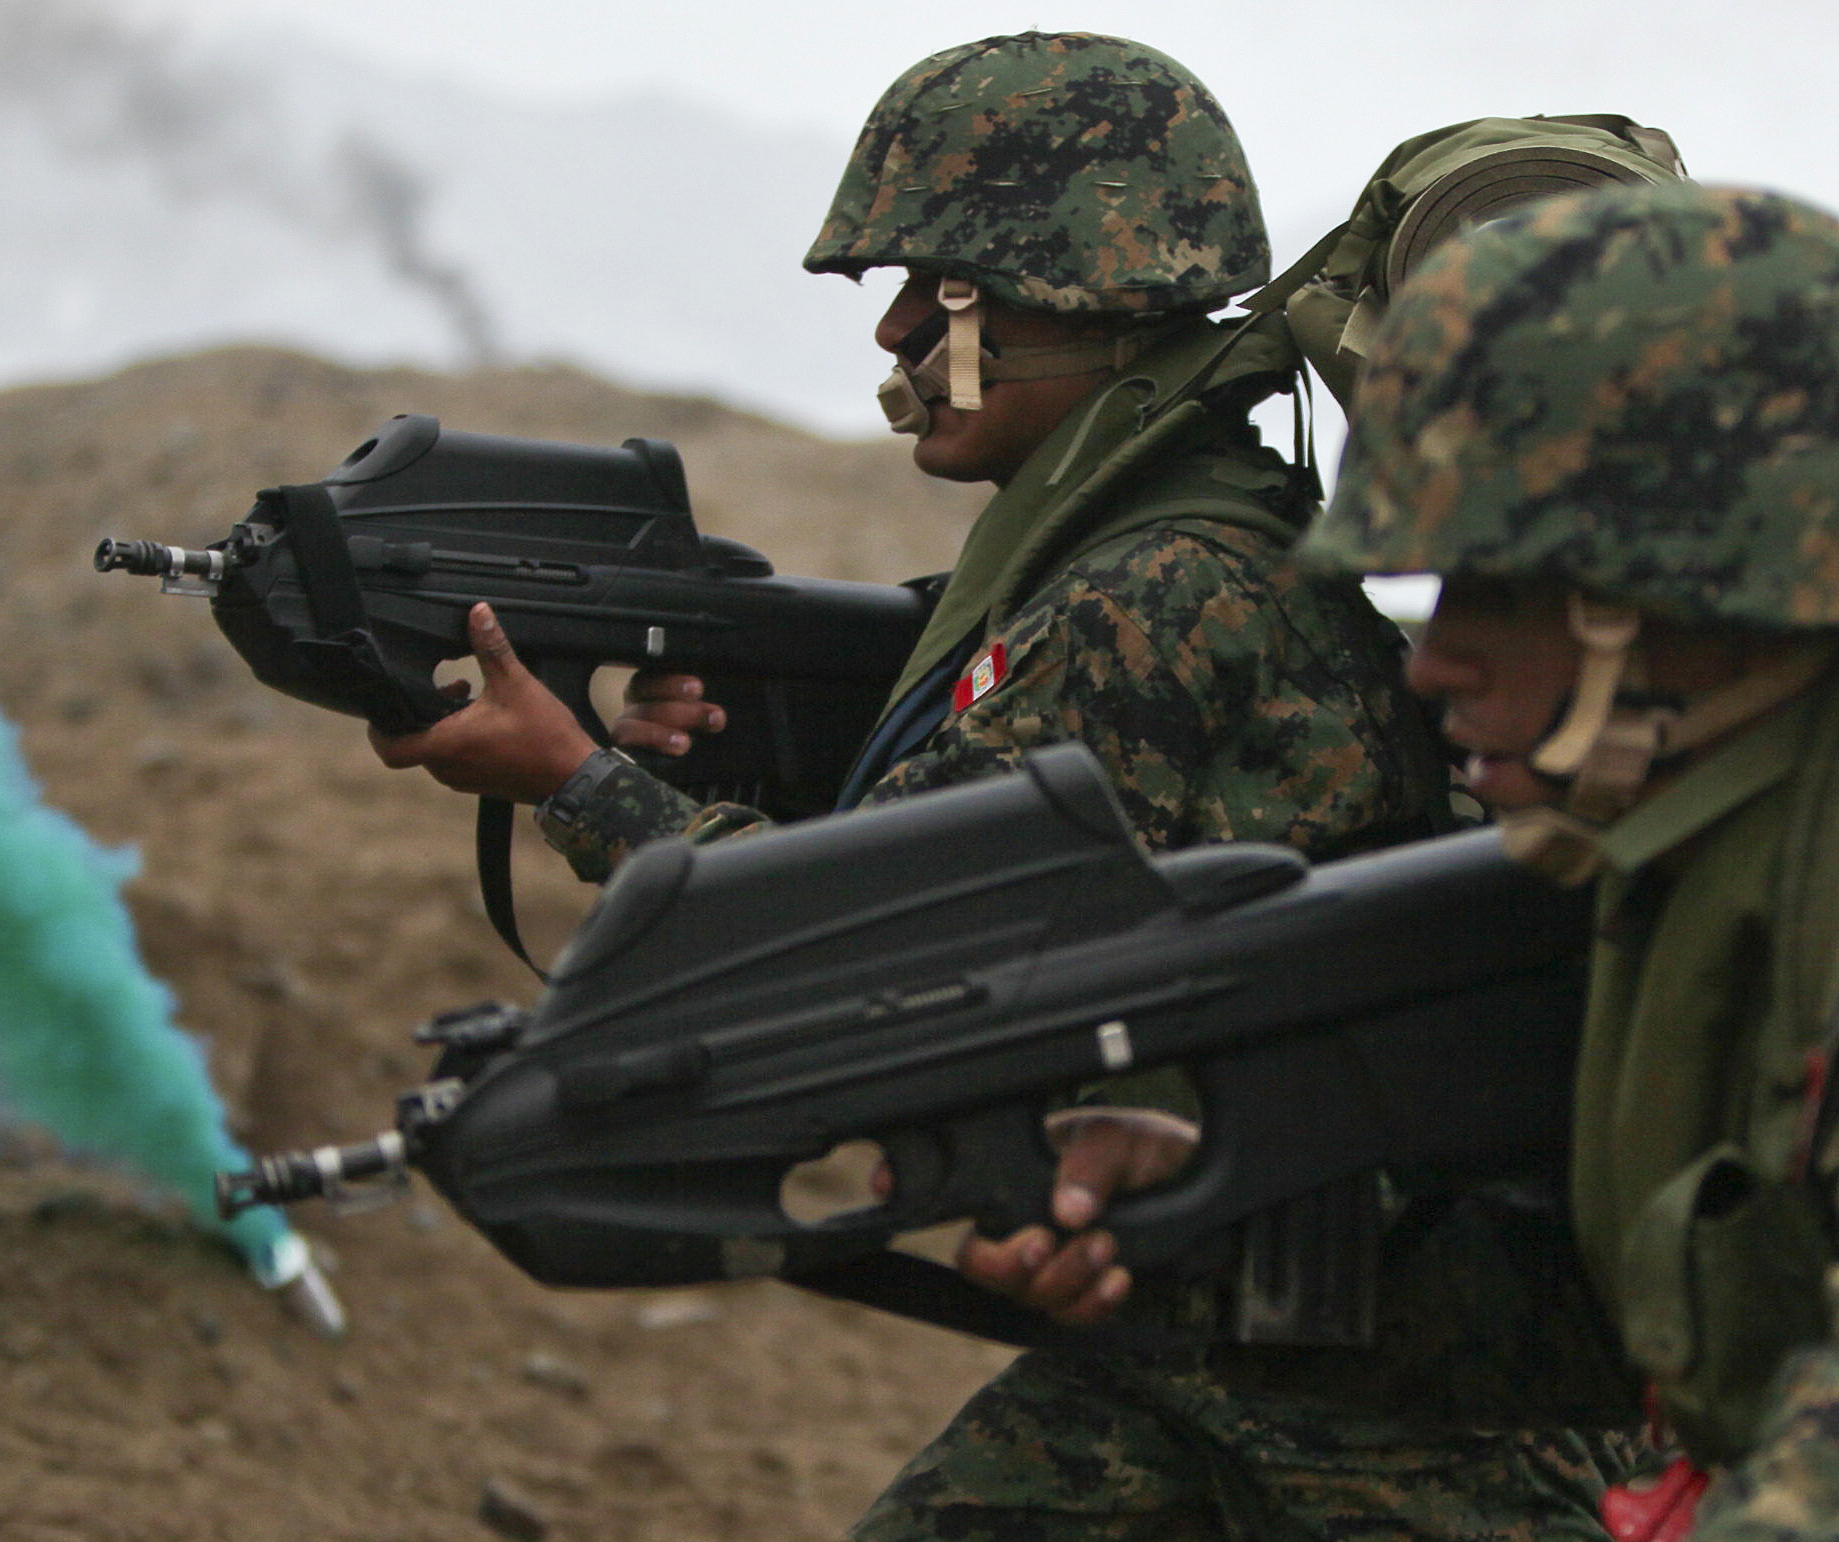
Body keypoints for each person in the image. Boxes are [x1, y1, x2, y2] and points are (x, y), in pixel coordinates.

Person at [375, 31, 1643, 1541]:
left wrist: (579, 783)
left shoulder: (1158, 586)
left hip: (1379, 1399)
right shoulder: (1162, 543)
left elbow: (885, 963)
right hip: (1218, 1339)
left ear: (1085, 295)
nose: (898, 332)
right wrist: (706, 763)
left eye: (944, 289)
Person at [1301, 179, 1839, 1542]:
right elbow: (1670, 1334)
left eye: (1492, 586)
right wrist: (1214, 1245)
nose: (1428, 663)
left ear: (1672, 586)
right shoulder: (1702, 844)